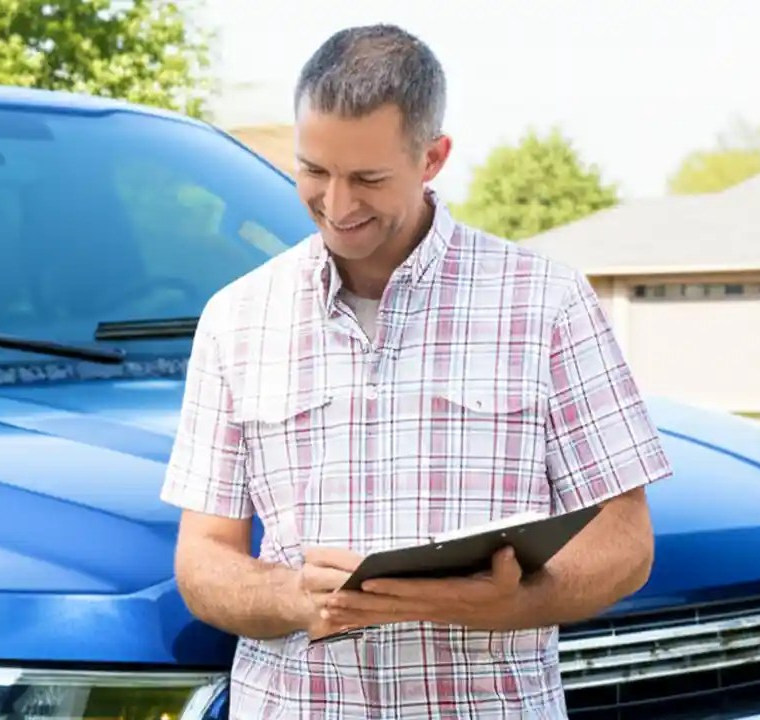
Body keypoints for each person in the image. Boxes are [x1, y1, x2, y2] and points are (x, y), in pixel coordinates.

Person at [160, 22, 674, 719]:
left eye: (368, 178)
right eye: (314, 170)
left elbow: (625, 539)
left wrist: (521, 601)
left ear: (433, 157)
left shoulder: (547, 301)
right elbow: (203, 561)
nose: (336, 207)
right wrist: (290, 595)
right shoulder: (236, 317)